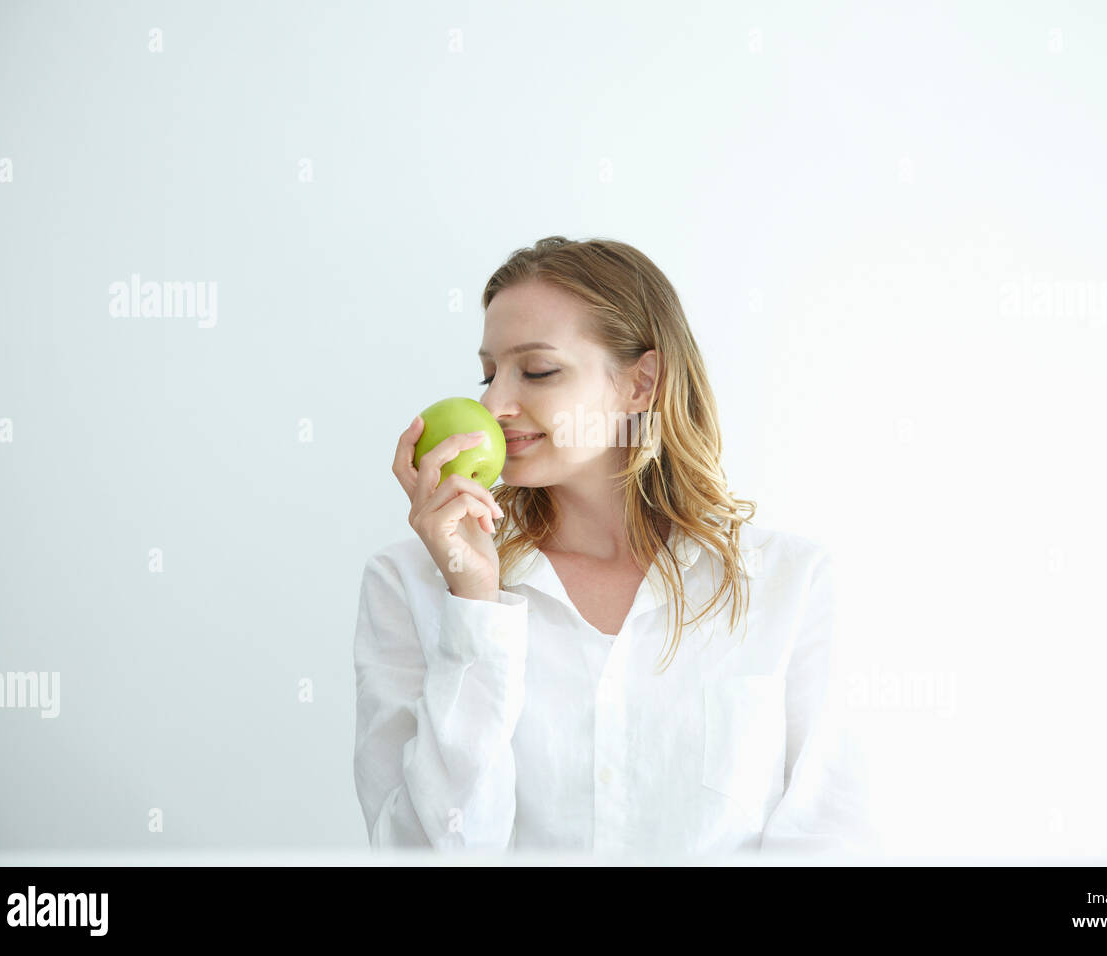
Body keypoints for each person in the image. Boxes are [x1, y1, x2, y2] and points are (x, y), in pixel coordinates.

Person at [352, 236, 880, 859]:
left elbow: (830, 840)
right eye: (488, 373)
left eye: (538, 370)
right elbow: (422, 855)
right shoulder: (409, 582)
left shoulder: (792, 583)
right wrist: (474, 603)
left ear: (639, 383)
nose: (492, 406)